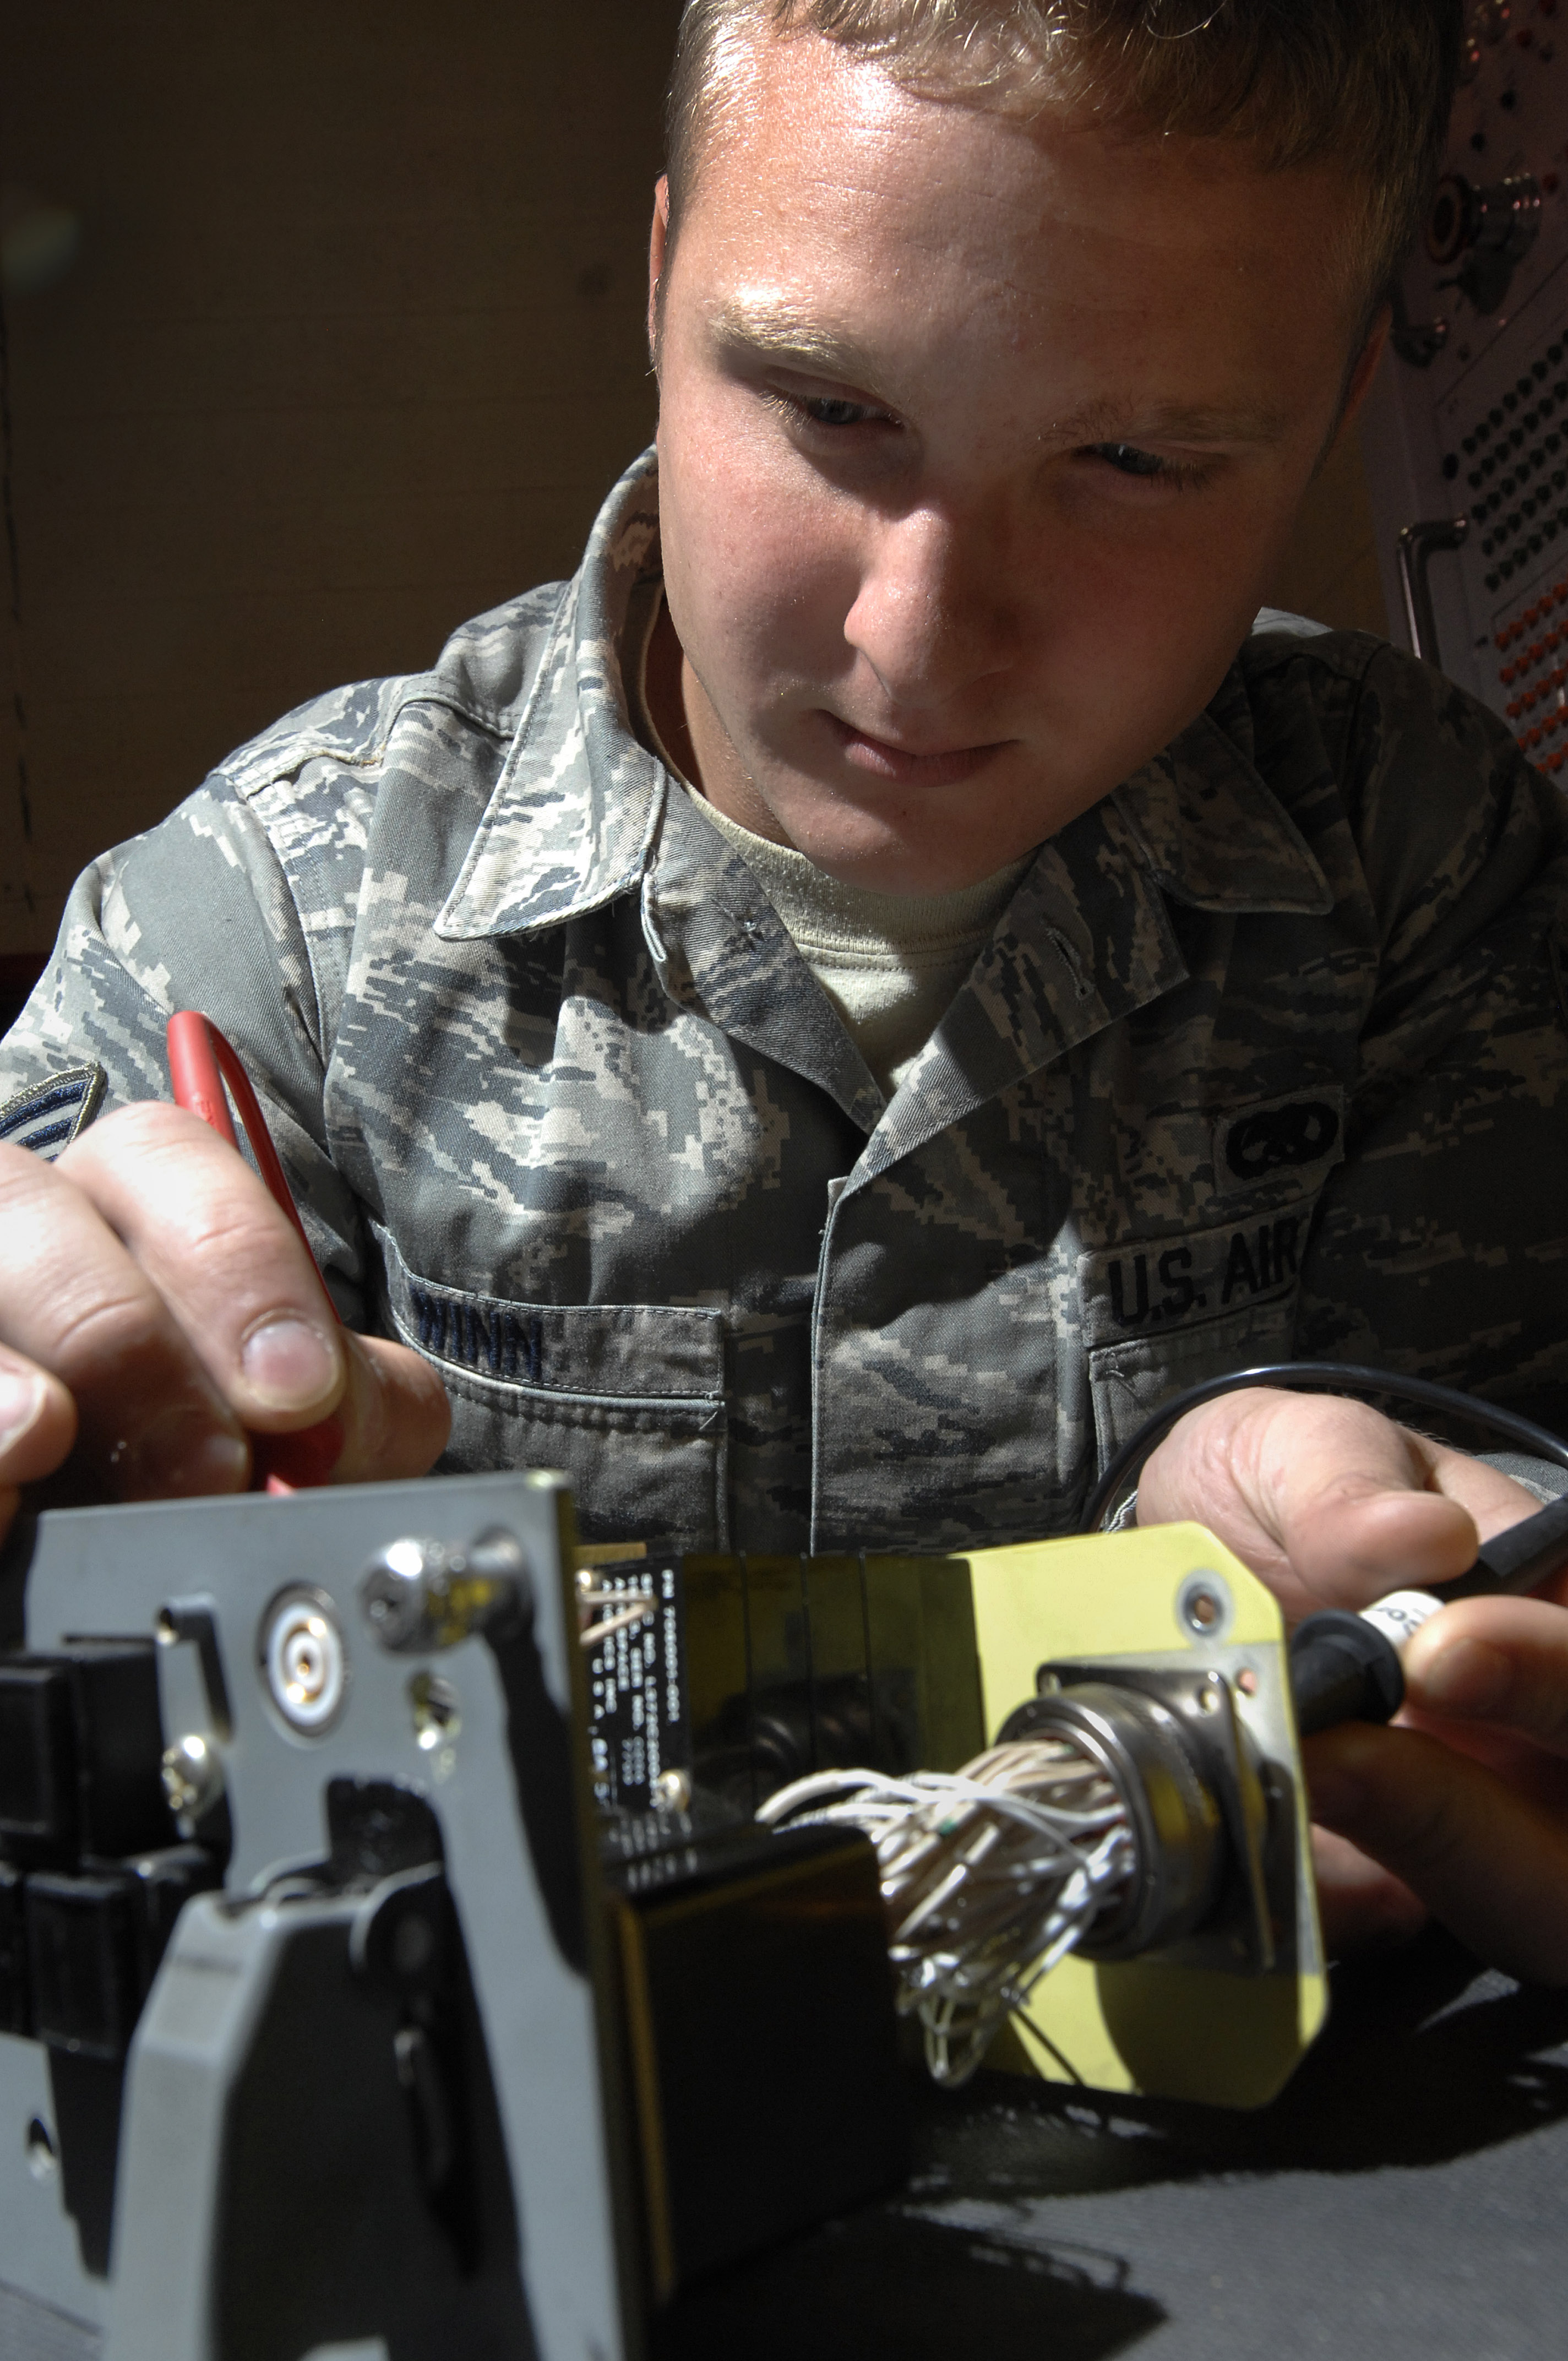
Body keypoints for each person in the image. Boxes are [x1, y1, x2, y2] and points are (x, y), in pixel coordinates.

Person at [4, 0, 1568, 1976]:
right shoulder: (260, 935)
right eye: (833, 411)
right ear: (661, 286)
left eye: (1137, 458)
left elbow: (1510, 1525)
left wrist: (1456, 1592)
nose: (919, 643)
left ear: (1337, 406)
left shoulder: (1421, 865)